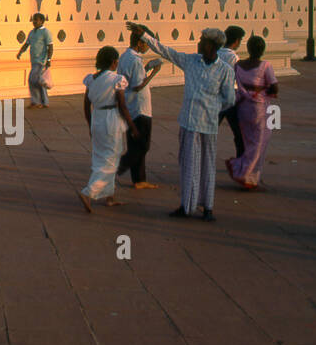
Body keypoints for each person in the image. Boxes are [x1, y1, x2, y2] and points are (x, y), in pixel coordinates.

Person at [124, 23, 238, 221]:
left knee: (207, 164)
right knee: (188, 164)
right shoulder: (191, 61)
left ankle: (207, 206)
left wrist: (210, 107)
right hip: (189, 121)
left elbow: (229, 99)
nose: (198, 43)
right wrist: (144, 36)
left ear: (211, 46)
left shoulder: (225, 70)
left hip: (208, 124)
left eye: (202, 41)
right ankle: (187, 205)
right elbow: (166, 51)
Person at [79, 46, 136, 213]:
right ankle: (89, 192)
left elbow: (86, 104)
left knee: (101, 157)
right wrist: (132, 126)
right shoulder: (117, 79)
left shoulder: (91, 79)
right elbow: (123, 106)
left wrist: (90, 124)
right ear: (113, 62)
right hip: (111, 119)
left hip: (97, 117)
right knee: (111, 160)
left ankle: (110, 197)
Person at [226, 35, 278, 190]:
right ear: (263, 50)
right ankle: (240, 169)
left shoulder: (239, 65)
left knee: (249, 142)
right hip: (259, 109)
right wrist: (262, 89)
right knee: (260, 143)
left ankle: (251, 178)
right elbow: (274, 87)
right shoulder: (265, 66)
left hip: (243, 107)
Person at [116, 27, 163, 188]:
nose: (148, 46)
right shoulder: (135, 60)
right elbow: (137, 85)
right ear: (139, 43)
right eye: (147, 43)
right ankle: (117, 167)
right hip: (140, 107)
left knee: (135, 143)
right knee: (143, 145)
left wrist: (147, 67)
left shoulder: (125, 57)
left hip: (131, 106)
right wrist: (154, 72)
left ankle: (139, 180)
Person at [217, 25, 246, 159]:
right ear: (237, 41)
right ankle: (241, 159)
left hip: (216, 95)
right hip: (231, 96)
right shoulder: (233, 57)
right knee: (239, 132)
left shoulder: (216, 53)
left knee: (211, 129)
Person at [16, 12, 54, 108]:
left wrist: (49, 59)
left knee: (32, 79)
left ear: (42, 21)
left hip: (41, 61)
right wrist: (20, 52)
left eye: (36, 20)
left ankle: (37, 101)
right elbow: (27, 44)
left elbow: (50, 46)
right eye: (33, 20)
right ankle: (42, 102)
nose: (34, 22)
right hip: (34, 61)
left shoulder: (45, 32)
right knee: (37, 81)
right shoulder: (32, 32)